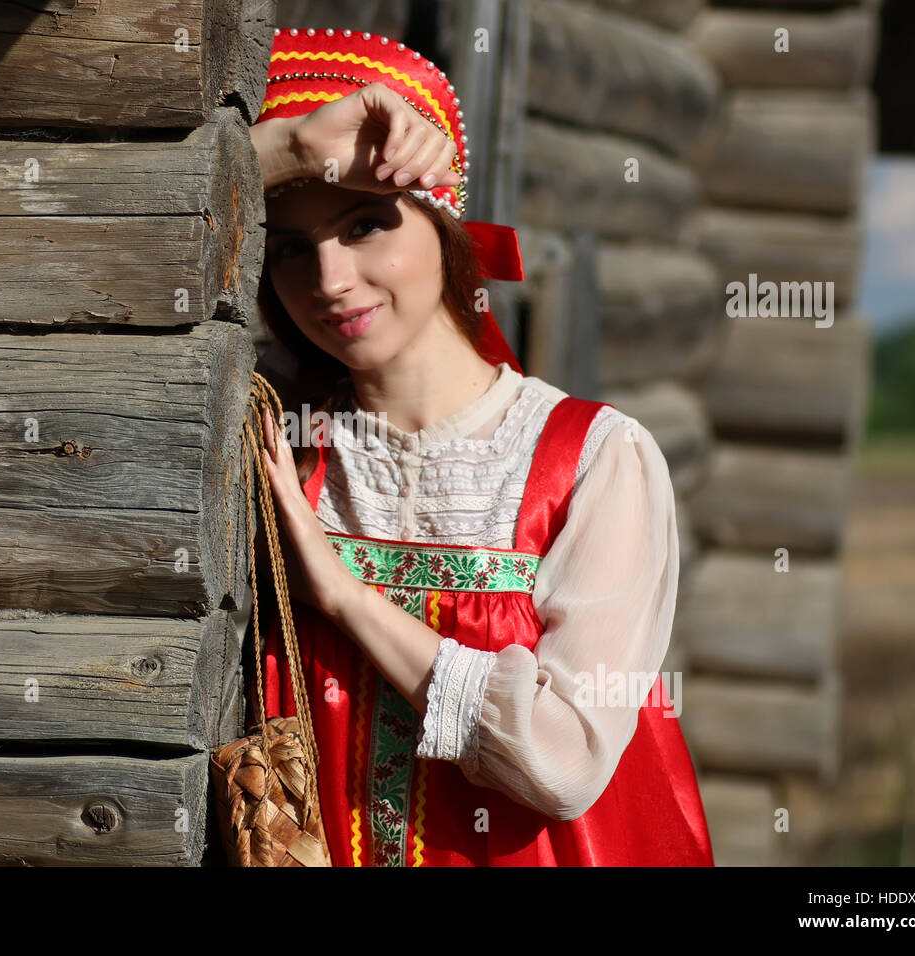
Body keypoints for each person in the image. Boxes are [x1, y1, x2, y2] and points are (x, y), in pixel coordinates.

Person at [245, 27, 714, 866]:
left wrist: (345, 599)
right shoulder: (275, 434)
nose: (330, 281)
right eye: (289, 248)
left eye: (363, 225)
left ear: (442, 215)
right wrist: (283, 147)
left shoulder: (594, 460)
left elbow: (562, 761)